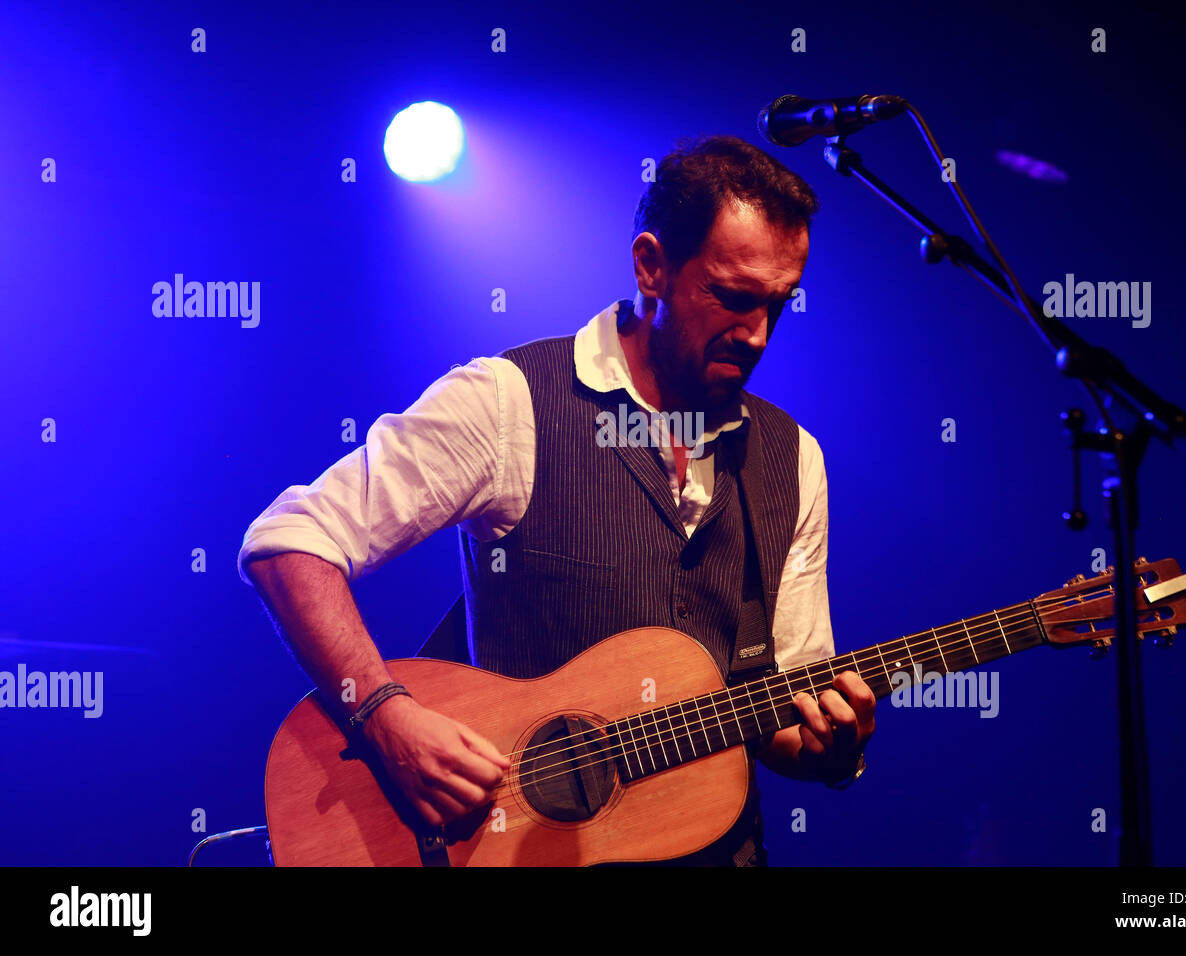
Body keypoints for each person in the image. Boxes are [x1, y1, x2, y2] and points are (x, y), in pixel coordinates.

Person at [239, 134, 876, 866]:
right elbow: (289, 542)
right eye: (733, 298)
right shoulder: (512, 404)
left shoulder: (791, 457)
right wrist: (384, 715)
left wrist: (830, 748)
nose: (758, 333)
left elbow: (782, 716)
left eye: (777, 304)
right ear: (652, 266)